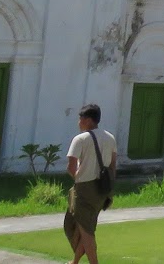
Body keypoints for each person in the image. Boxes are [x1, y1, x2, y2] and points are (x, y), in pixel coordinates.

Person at [64, 103, 118, 264]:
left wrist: (78, 177)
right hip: (103, 188)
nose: (78, 122)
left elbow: (71, 167)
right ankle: (75, 261)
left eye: (80, 118)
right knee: (86, 225)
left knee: (84, 230)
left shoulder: (80, 139)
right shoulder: (110, 137)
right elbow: (113, 165)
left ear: (88, 120)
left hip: (85, 187)